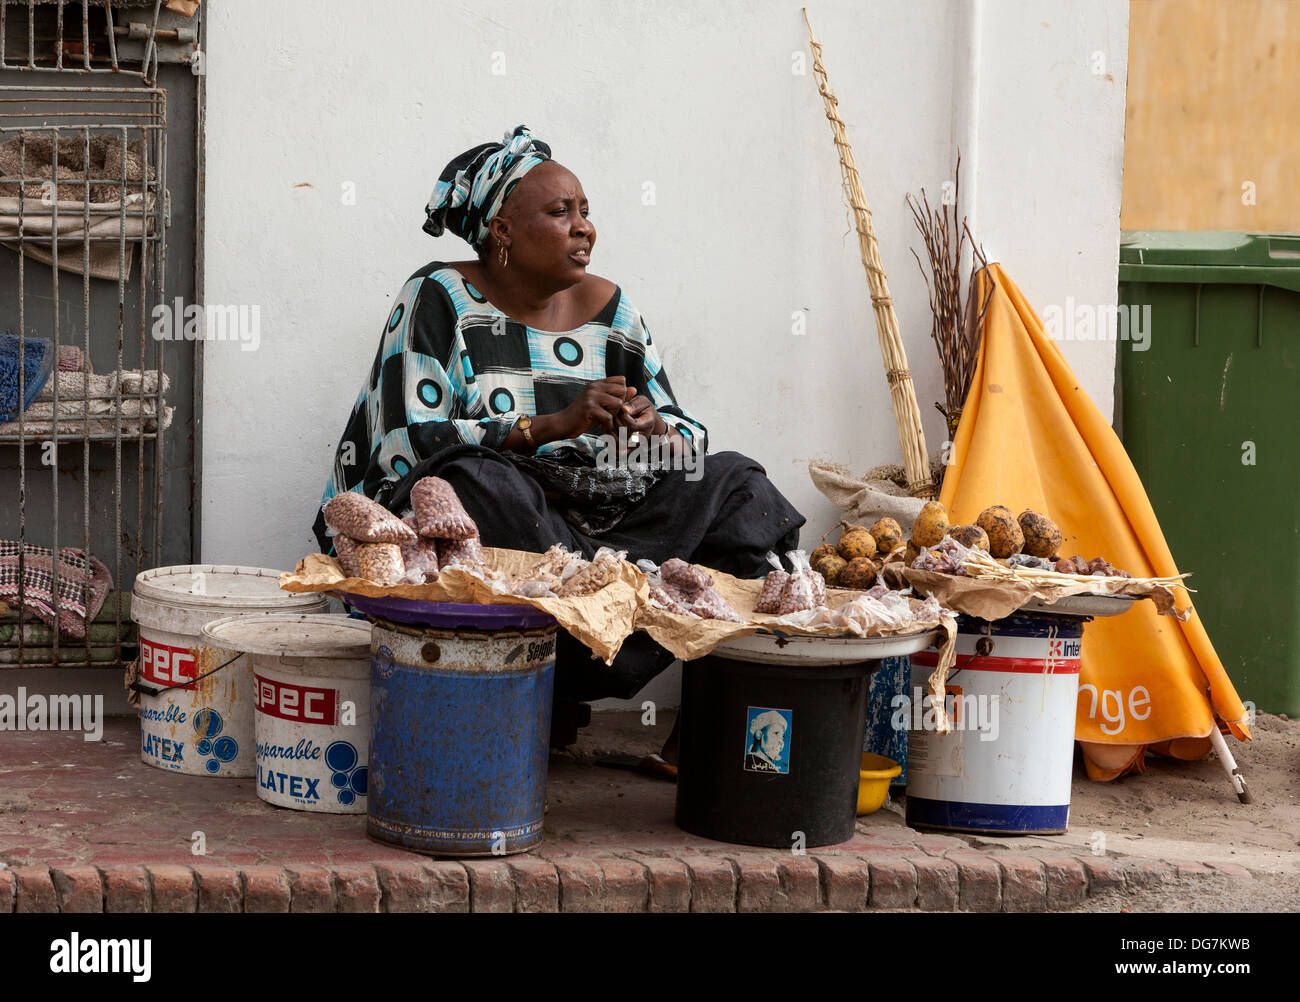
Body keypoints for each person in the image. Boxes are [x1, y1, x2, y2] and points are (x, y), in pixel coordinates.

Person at [313, 125, 805, 703]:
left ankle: (699, 725)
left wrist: (652, 429)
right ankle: (539, 685)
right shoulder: (438, 295)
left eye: (585, 211)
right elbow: (408, 443)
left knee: (739, 483)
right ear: (503, 232)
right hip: (521, 523)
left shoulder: (614, 309)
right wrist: (553, 425)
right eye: (560, 212)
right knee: (469, 481)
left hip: (607, 530)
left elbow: (684, 434)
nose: (584, 228)